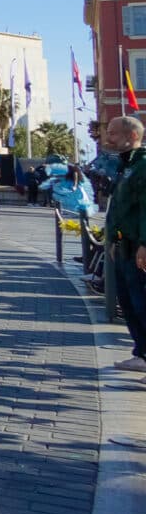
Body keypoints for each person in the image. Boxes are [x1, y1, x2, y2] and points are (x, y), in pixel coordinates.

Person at [102, 115, 146, 374]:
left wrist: (144, 243)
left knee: (141, 302)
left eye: (114, 133)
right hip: (121, 245)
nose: (109, 138)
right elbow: (117, 207)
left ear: (131, 136)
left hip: (136, 246)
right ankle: (141, 353)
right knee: (128, 302)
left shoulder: (142, 166)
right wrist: (109, 239)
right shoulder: (124, 166)